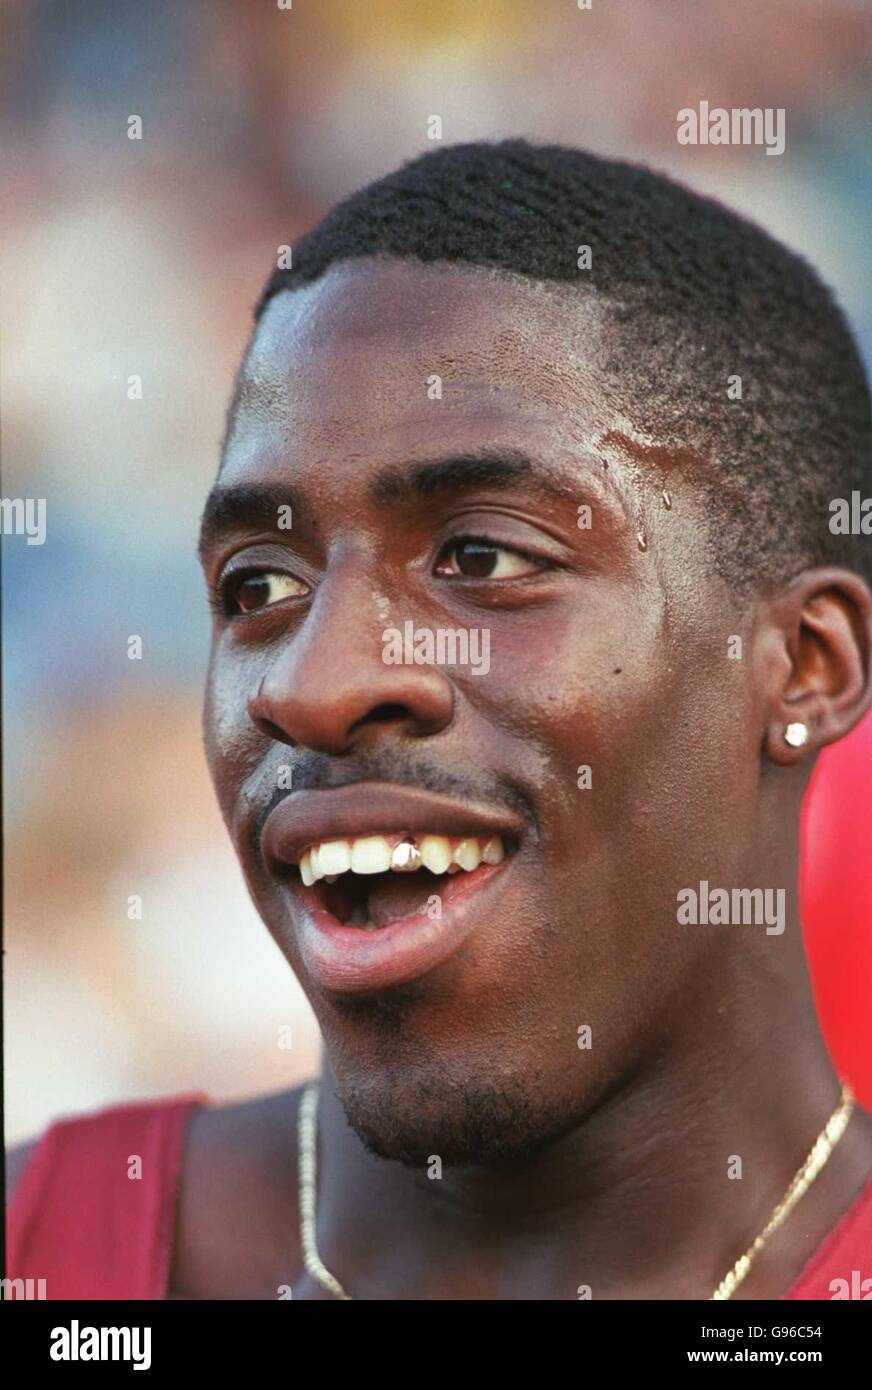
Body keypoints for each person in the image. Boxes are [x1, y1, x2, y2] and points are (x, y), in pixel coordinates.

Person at [8, 139, 872, 1300]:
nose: (309, 687)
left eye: (482, 557)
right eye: (259, 585)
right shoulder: (44, 1257)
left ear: (803, 666)